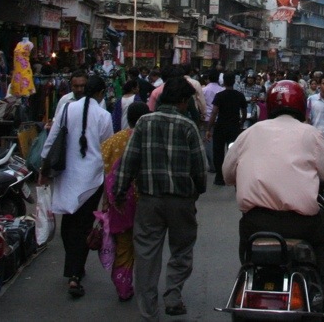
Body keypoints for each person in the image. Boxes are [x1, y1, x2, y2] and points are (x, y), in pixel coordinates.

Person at [223, 80, 324, 312]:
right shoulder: (310, 134)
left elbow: (227, 173)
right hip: (302, 225)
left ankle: (248, 274)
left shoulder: (250, 133)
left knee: (246, 242)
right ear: (302, 106)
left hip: (256, 223)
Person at [113, 76, 206, 320]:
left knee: (146, 252)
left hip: (149, 200)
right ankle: (173, 295)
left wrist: (120, 192)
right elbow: (199, 166)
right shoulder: (188, 126)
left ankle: (148, 309)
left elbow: (129, 160)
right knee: (182, 249)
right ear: (183, 101)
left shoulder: (144, 123)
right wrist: (199, 189)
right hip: (181, 200)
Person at [39, 75, 114, 299]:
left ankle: (74, 267)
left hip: (66, 176)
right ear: (101, 93)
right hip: (92, 180)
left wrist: (43, 170)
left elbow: (51, 140)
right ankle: (74, 274)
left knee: (69, 224)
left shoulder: (66, 109)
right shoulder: (104, 115)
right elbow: (107, 151)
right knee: (82, 226)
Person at [100, 101, 150, 303]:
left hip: (119, 200)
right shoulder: (149, 139)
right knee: (146, 245)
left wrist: (105, 201)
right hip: (146, 199)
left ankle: (123, 286)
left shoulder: (114, 141)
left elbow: (106, 172)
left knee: (123, 245)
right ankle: (146, 286)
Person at [205, 73, 247, 186]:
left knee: (218, 152)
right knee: (233, 153)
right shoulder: (239, 95)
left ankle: (219, 177)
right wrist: (241, 122)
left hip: (220, 127)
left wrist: (208, 129)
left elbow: (214, 113)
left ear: (223, 81)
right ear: (234, 81)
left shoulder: (220, 95)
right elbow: (244, 113)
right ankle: (232, 176)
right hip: (234, 128)